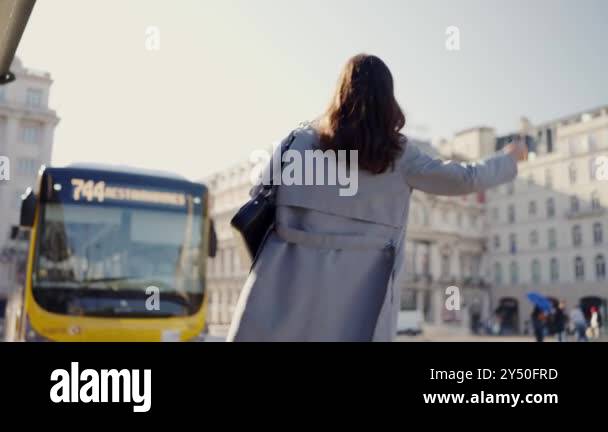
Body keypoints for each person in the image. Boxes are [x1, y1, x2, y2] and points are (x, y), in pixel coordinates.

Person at [227, 54, 527, 342]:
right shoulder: (398, 156)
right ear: (388, 100)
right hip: (357, 315)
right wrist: (508, 159)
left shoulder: (296, 143)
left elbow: (257, 198)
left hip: (279, 307)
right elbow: (465, 179)